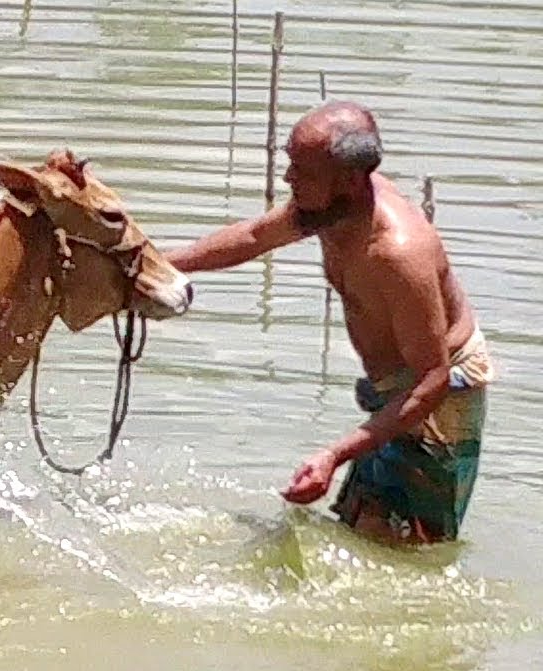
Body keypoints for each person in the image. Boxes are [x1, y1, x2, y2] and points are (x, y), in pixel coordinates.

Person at [164, 100, 494, 544]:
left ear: (351, 180)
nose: (287, 180)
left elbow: (431, 381)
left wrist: (333, 455)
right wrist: (156, 265)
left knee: (410, 546)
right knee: (362, 527)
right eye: (290, 165)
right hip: (395, 391)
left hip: (438, 398)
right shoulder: (328, 208)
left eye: (302, 171)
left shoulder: (398, 254)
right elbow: (253, 237)